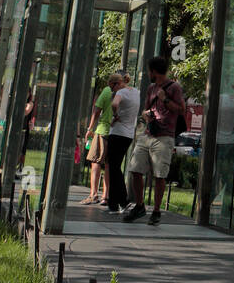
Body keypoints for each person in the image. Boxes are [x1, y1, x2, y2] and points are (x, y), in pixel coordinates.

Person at [122, 56, 186, 225]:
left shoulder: (175, 88)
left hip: (164, 136)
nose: (149, 73)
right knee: (135, 169)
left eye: (150, 71)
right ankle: (140, 205)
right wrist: (145, 114)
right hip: (148, 132)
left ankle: (156, 211)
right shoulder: (151, 88)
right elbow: (145, 109)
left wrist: (165, 99)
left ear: (154, 71)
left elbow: (181, 110)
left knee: (159, 175)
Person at [79, 71, 123, 206]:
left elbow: (96, 111)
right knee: (109, 165)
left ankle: (93, 194)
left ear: (111, 83)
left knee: (95, 162)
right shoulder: (125, 94)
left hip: (103, 131)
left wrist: (90, 129)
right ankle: (106, 195)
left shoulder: (106, 91)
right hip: (117, 133)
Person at [106, 71, 139, 214]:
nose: (112, 91)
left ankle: (123, 201)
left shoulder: (122, 92)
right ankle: (114, 203)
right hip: (128, 134)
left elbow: (115, 104)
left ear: (117, 84)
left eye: (112, 88)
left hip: (118, 133)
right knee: (115, 167)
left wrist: (115, 115)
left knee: (113, 167)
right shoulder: (136, 92)